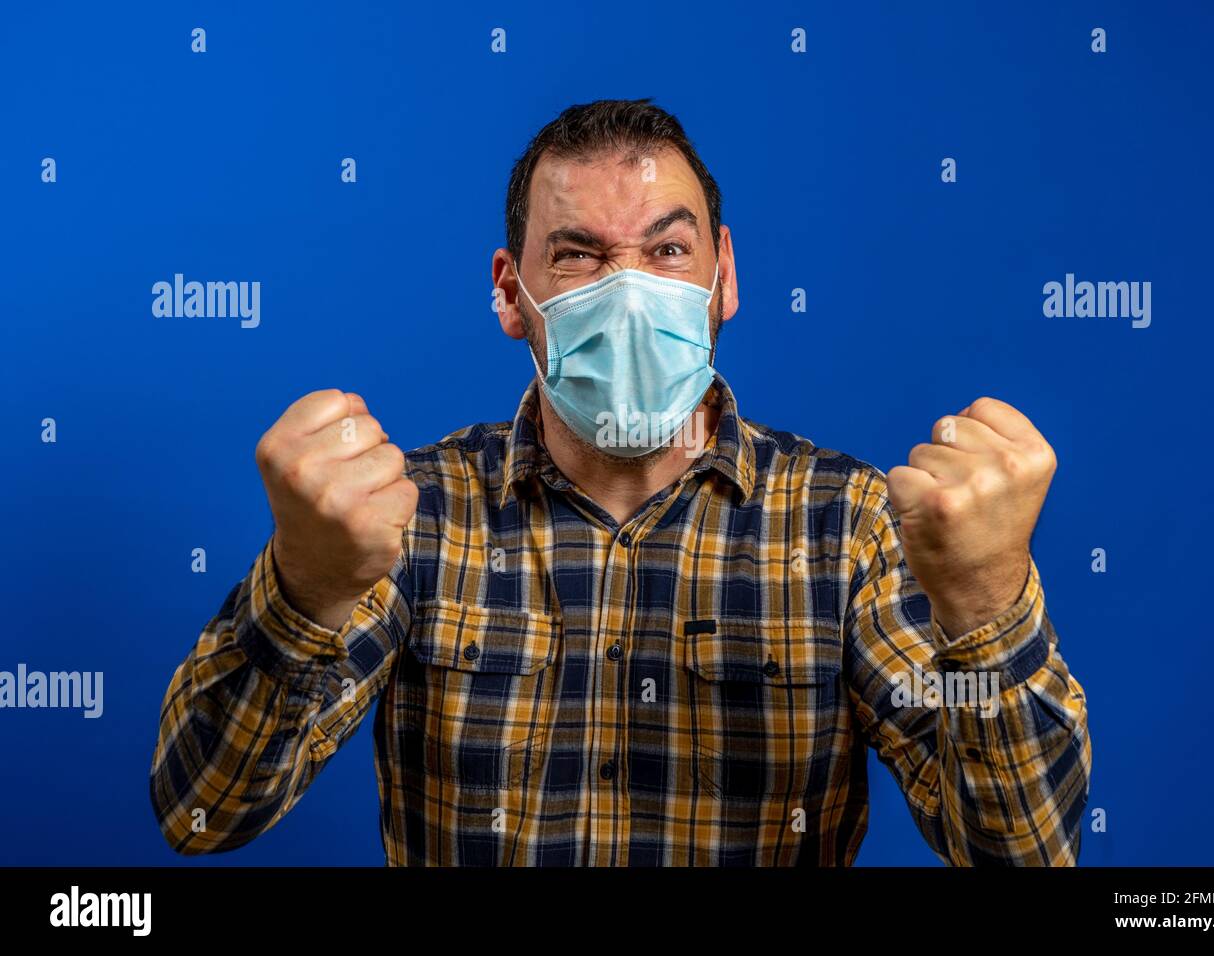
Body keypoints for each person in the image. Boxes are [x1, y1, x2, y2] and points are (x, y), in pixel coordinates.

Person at [150, 99, 1091, 866]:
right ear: (512, 294)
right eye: (580, 254)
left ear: (723, 278)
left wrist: (986, 609)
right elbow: (201, 813)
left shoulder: (844, 524)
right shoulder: (416, 516)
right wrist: (304, 592)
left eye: (667, 251)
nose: (630, 288)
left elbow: (1022, 852)